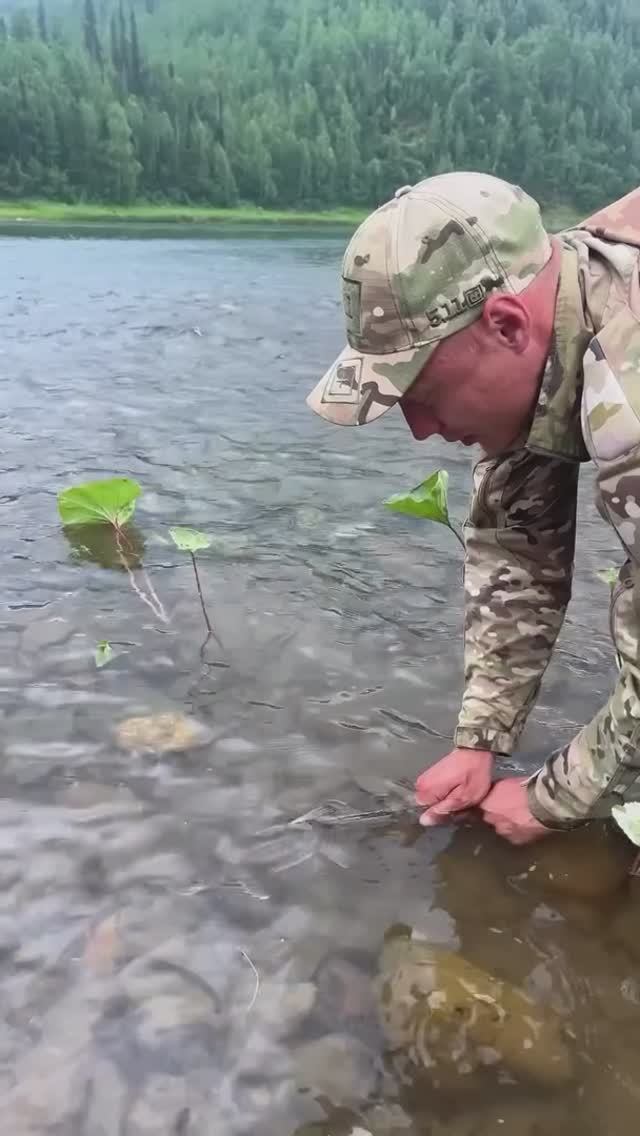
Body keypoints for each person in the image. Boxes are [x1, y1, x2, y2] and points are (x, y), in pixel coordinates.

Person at [305, 171, 640, 846]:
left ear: (506, 325)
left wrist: (557, 796)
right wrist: (481, 738)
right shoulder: (558, 290)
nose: (422, 430)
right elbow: (517, 550)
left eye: (423, 391)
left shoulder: (629, 398)